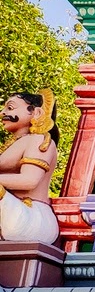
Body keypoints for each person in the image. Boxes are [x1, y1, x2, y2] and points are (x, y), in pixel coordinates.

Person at [0, 91, 60, 245]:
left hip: (33, 217)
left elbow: (29, 181)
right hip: (15, 213)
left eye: (11, 108)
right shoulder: (18, 143)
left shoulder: (39, 140)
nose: (3, 113)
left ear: (36, 112)